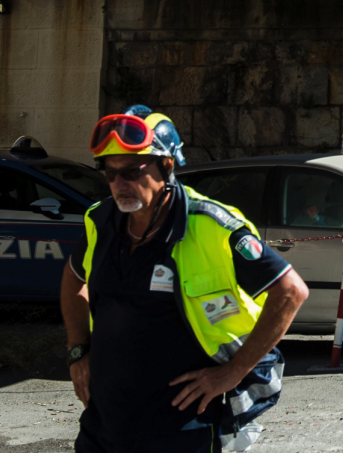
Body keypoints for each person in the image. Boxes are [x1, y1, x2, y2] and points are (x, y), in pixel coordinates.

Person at [61, 106, 310, 453]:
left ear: (167, 166)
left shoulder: (211, 226)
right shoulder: (101, 220)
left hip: (182, 428)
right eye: (110, 173)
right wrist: (78, 351)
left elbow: (291, 291)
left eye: (132, 172)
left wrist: (233, 372)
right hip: (105, 422)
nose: (119, 185)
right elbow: (73, 279)